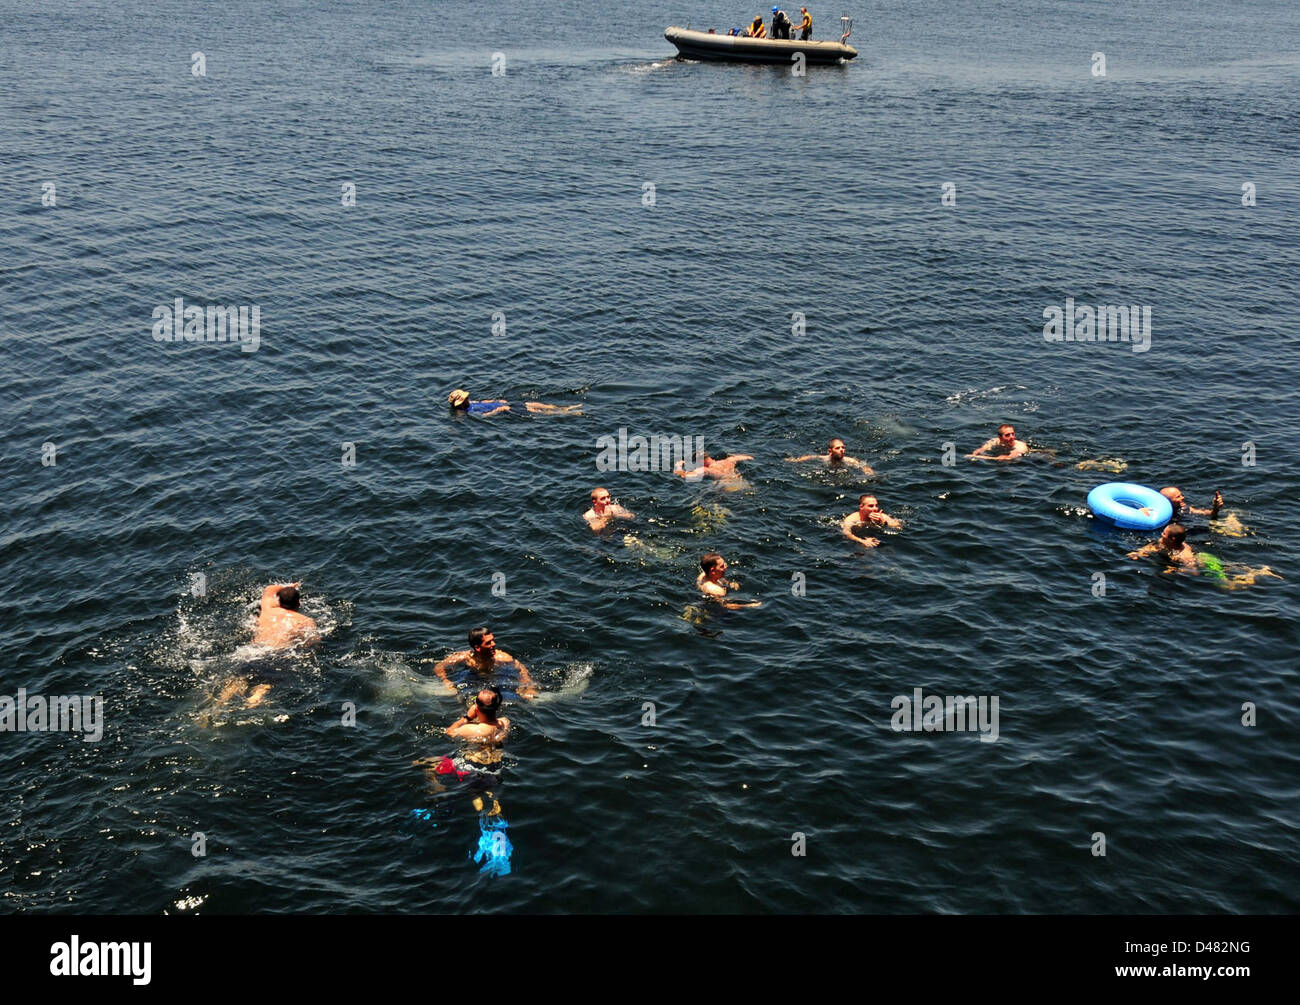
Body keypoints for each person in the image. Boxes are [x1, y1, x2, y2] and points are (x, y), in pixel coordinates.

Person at [428, 628, 538, 700]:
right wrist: (446, 681)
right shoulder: (466, 657)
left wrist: (528, 685)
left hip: (498, 678)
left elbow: (521, 669)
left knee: (521, 697)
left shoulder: (502, 657)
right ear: (477, 647)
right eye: (488, 642)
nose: (494, 644)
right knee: (459, 697)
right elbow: (439, 666)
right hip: (472, 678)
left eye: (493, 640)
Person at [251, 583, 318, 648]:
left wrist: (288, 587)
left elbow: (269, 588)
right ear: (299, 603)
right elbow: (314, 641)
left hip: (257, 646)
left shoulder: (267, 609)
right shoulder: (305, 621)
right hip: (279, 652)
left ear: (278, 601)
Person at [448, 389, 582, 416]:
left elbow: (483, 401)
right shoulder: (467, 411)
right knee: (536, 411)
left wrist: (496, 401)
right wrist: (500, 409)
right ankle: (570, 413)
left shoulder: (471, 403)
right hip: (506, 408)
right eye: (464, 399)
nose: (466, 399)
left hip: (506, 404)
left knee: (533, 404)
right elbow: (485, 415)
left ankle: (566, 407)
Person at [697, 553, 762, 609]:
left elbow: (718, 578)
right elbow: (727, 605)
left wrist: (729, 583)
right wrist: (750, 605)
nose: (726, 567)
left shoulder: (702, 576)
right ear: (712, 570)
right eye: (722, 566)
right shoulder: (716, 590)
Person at [1126, 524, 1197, 570]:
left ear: (1172, 539)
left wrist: (1175, 569)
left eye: (1164, 534)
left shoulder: (1185, 555)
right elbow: (1153, 546)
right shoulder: (1164, 541)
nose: (1161, 534)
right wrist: (1139, 552)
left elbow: (1194, 572)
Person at [786, 438, 873, 474]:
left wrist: (869, 472)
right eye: (838, 448)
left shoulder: (849, 461)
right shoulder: (824, 459)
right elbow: (810, 457)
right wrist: (796, 460)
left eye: (843, 447)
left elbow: (863, 465)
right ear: (830, 451)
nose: (841, 450)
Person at [673, 451, 753, 480]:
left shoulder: (705, 469)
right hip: (742, 483)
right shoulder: (729, 460)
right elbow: (749, 457)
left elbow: (684, 476)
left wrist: (678, 466)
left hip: (727, 490)